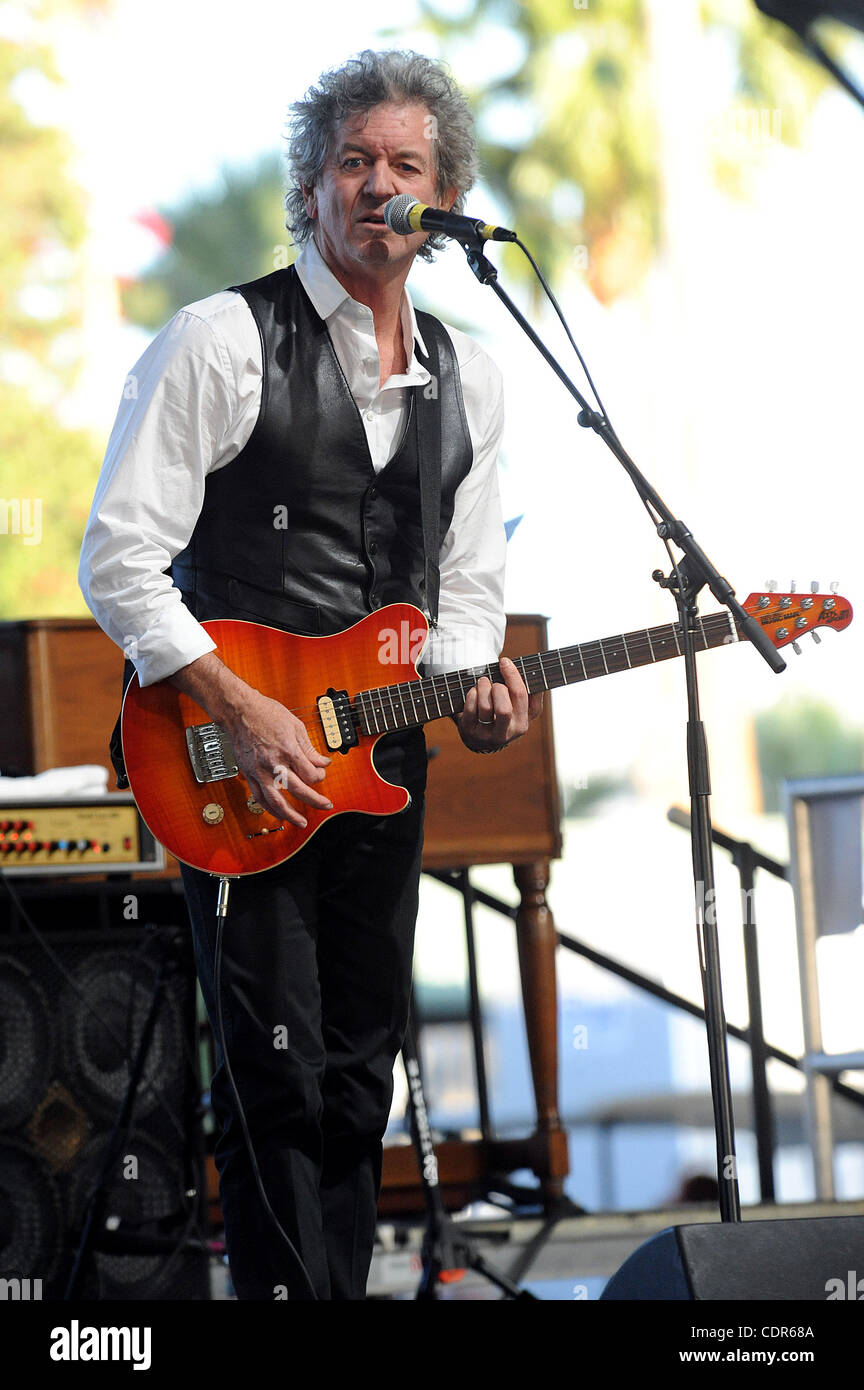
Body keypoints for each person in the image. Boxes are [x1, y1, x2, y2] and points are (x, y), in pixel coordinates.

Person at [79, 48, 542, 1300]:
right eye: (353, 161)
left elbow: (467, 593)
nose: (378, 185)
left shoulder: (472, 375)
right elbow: (117, 558)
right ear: (313, 185)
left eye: (406, 165)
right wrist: (236, 706)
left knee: (356, 1072)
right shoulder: (221, 340)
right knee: (274, 1077)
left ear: (444, 198)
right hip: (234, 766)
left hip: (380, 767)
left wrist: (477, 699)